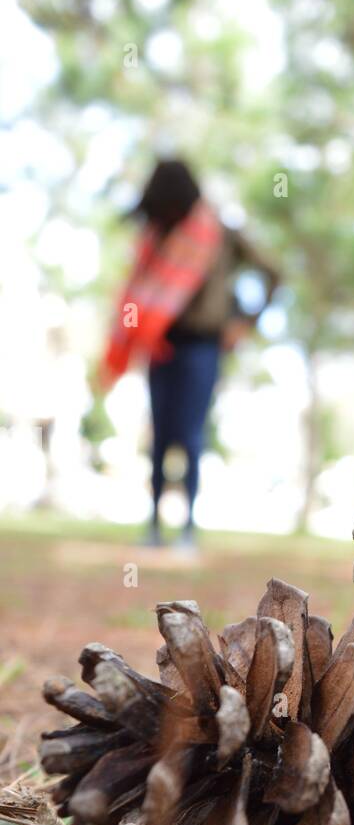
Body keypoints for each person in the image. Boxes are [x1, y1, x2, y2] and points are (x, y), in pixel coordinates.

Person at [101, 158, 278, 549]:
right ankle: (153, 526)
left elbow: (273, 271)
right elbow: (137, 292)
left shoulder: (219, 234)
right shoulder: (156, 239)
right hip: (161, 346)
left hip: (203, 345)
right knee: (160, 435)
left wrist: (245, 322)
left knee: (191, 435)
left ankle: (187, 530)